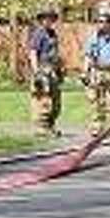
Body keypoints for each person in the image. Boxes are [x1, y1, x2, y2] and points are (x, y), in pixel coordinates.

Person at [82, 10, 110, 136]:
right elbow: (88, 56)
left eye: (105, 22)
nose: (101, 24)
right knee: (97, 101)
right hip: (98, 72)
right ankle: (97, 127)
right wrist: (85, 72)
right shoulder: (93, 39)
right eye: (99, 22)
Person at [27, 8, 64, 137]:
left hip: (52, 70)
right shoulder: (38, 34)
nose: (48, 20)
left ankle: (50, 125)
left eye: (51, 18)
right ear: (42, 20)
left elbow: (55, 52)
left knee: (56, 101)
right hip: (42, 69)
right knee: (44, 100)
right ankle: (41, 128)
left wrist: (59, 70)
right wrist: (37, 72)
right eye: (46, 18)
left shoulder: (52, 33)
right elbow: (33, 53)